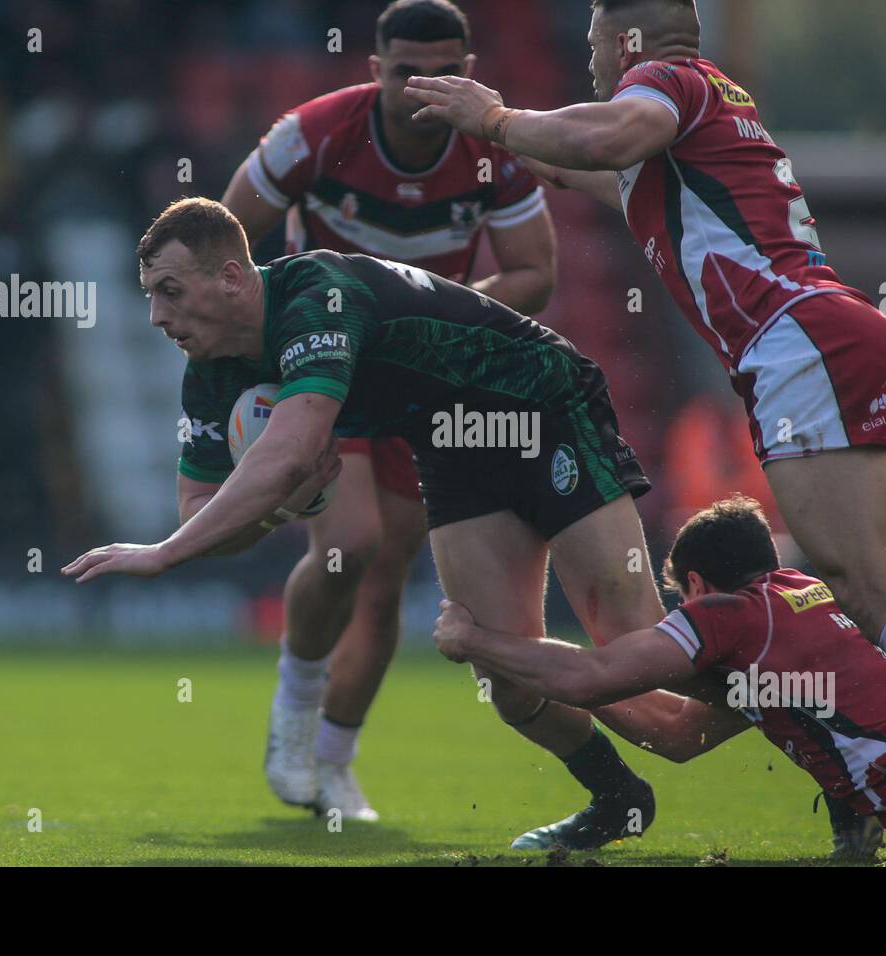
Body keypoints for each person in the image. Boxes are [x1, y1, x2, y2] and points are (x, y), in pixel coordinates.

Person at [405, 0, 886, 864]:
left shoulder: (665, 80)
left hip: (799, 342)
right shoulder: (715, 111)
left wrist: (495, 115)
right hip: (858, 332)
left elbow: (607, 137)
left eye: (592, 47)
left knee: (874, 584)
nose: (590, 65)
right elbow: (598, 167)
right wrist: (507, 143)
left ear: (628, 39)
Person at [64, 197, 673, 850]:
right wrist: (281, 506)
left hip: (545, 406)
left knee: (646, 670)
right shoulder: (210, 375)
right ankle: (619, 798)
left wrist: (165, 553)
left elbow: (291, 450)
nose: (157, 316)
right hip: (452, 447)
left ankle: (778, 663)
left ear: (233, 278)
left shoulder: (317, 296)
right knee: (506, 679)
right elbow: (202, 512)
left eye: (170, 291)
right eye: (151, 296)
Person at [221, 0, 556, 820]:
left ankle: (334, 760)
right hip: (325, 359)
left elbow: (533, 272)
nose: (422, 87)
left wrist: (437, 322)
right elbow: (228, 241)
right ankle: (293, 716)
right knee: (351, 544)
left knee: (385, 577)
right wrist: (270, 334)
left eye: (443, 71)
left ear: (468, 73)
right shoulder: (314, 134)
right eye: (406, 70)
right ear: (376, 70)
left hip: (418, 375)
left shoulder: (494, 150)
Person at [432, 495, 886, 865]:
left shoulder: (732, 615)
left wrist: (478, 643)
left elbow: (593, 679)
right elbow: (692, 730)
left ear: (700, 585)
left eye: (684, 596)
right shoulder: (825, 590)